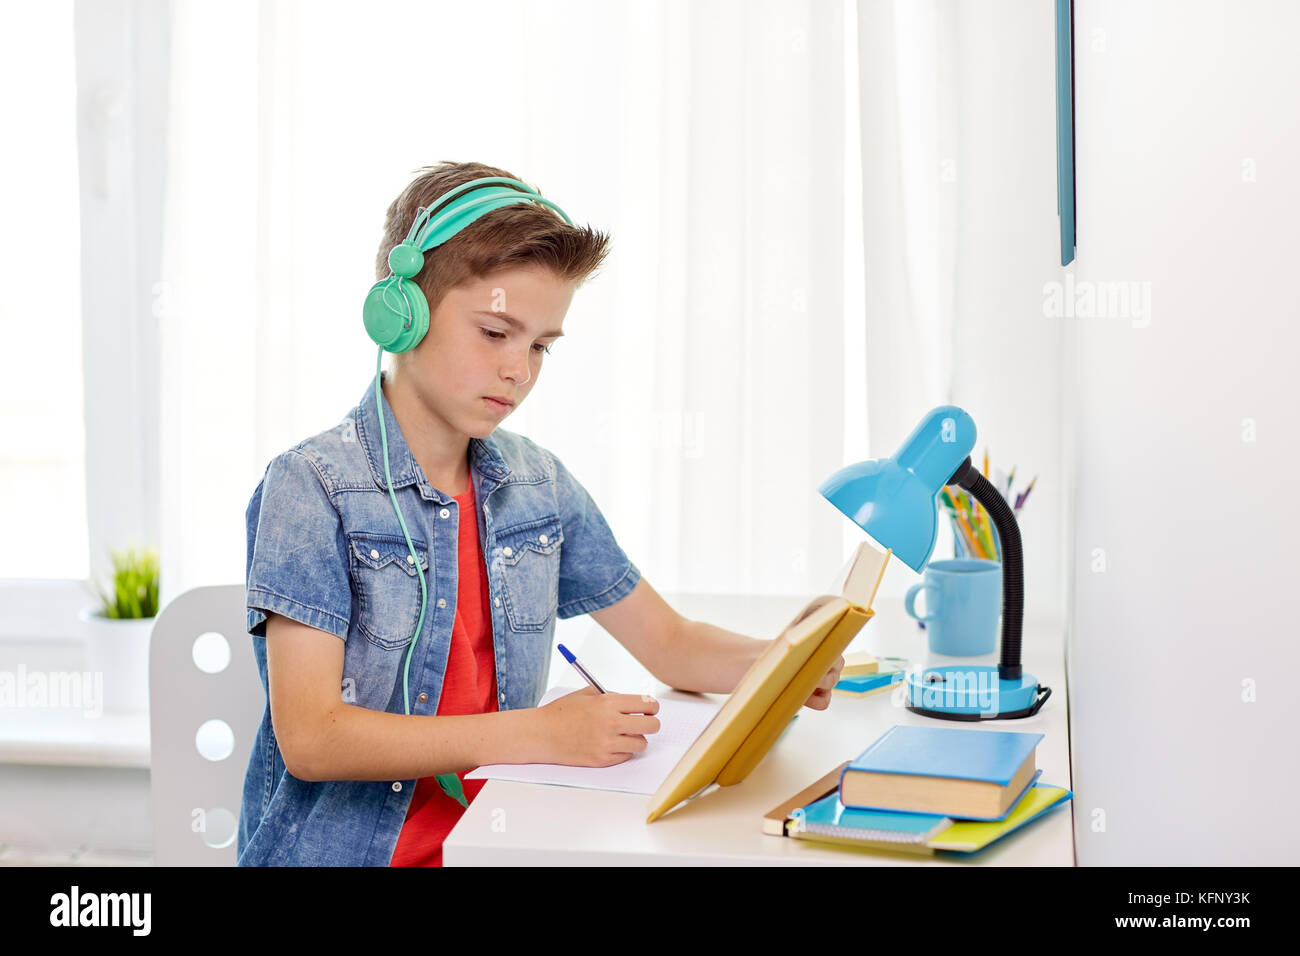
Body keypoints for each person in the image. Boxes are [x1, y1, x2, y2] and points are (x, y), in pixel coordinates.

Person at [236, 161, 844, 866]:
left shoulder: (536, 485)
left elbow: (669, 643)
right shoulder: (311, 488)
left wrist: (786, 663)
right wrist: (540, 732)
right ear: (401, 314)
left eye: (540, 347)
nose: (518, 371)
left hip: (503, 846)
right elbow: (314, 738)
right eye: (496, 333)